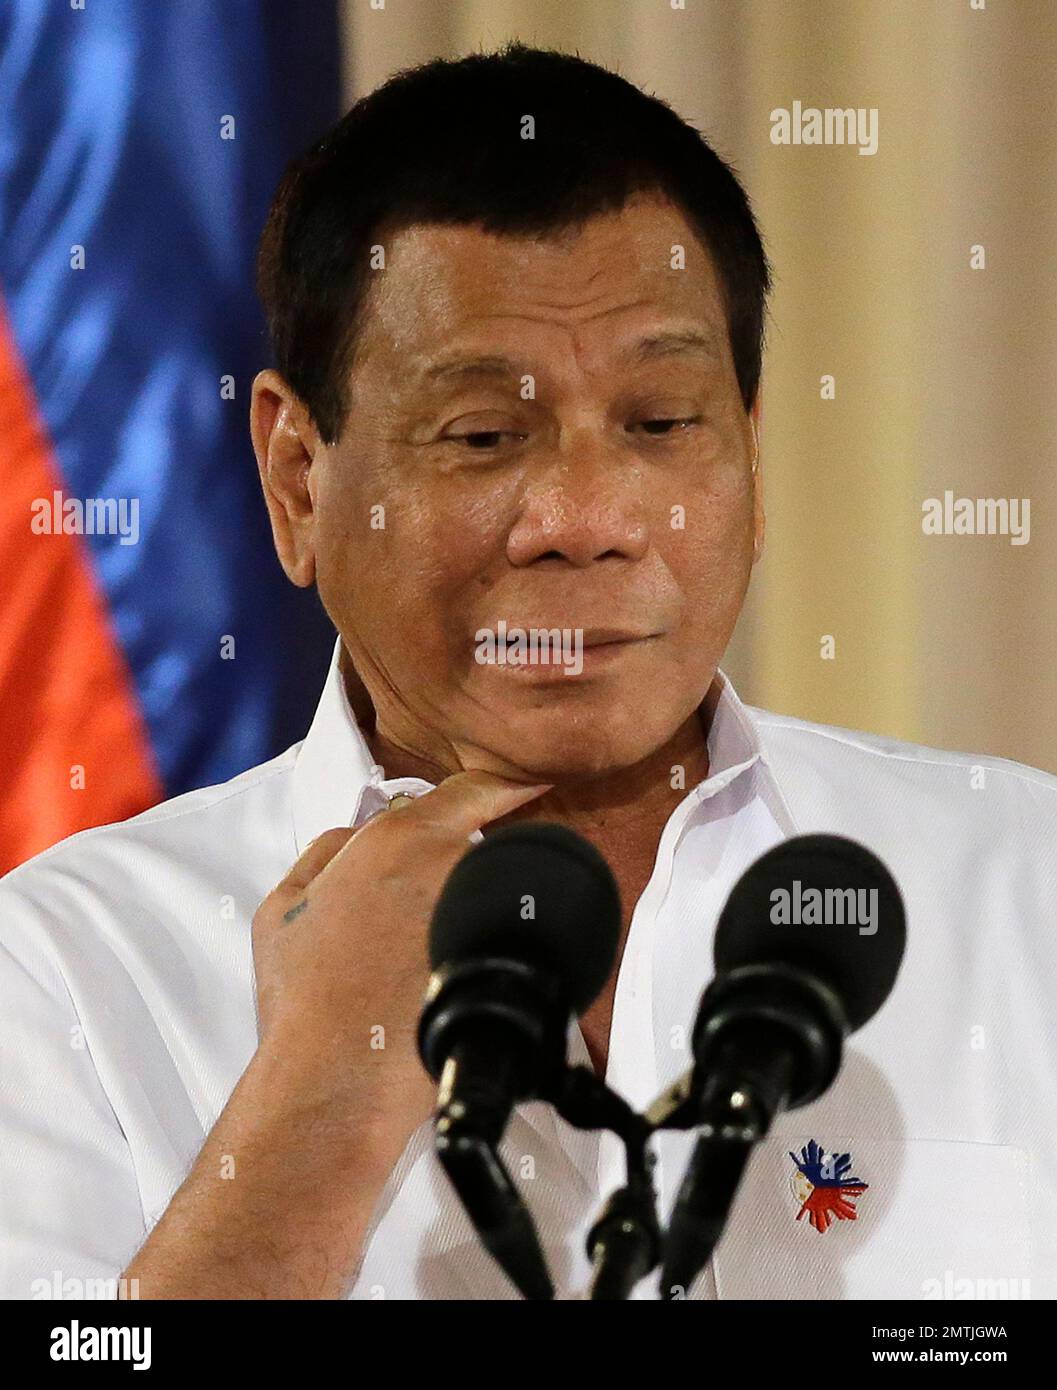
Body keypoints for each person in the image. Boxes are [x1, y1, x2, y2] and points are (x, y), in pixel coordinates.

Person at [1, 45, 1053, 1302]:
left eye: (662, 423)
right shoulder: (60, 971)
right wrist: (315, 1111)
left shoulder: (1023, 881)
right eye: (485, 435)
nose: (584, 514)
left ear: (752, 456)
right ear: (298, 479)